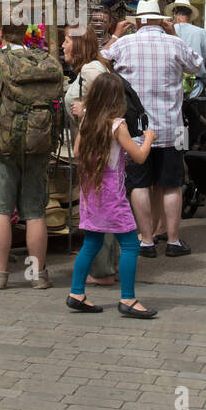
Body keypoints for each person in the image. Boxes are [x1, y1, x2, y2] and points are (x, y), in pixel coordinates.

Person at [101, 0, 203, 256]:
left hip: (136, 128)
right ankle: (173, 240)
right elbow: (199, 66)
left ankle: (145, 240)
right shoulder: (175, 43)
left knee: (139, 184)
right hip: (174, 126)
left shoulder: (125, 43)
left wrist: (115, 36)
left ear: (138, 21)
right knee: (172, 184)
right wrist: (173, 35)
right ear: (161, 20)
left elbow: (101, 58)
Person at [66, 73, 159, 318]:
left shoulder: (87, 121)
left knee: (91, 243)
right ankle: (128, 298)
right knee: (130, 244)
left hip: (90, 193)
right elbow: (139, 157)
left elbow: (76, 151)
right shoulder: (117, 125)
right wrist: (148, 139)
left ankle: (77, 293)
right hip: (112, 196)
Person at [0, 23, 52, 290]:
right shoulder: (40, 61)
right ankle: (37, 276)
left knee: (1, 210)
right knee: (35, 211)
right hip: (36, 139)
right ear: (27, 34)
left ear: (1, 34)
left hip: (3, 139)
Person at [63, 26, 116, 286]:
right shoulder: (90, 68)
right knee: (101, 205)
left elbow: (112, 105)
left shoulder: (91, 70)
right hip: (96, 148)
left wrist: (86, 109)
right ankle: (106, 264)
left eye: (66, 40)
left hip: (95, 149)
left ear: (78, 44)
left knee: (97, 207)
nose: (62, 45)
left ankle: (102, 270)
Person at [167, 0, 206, 96]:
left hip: (171, 88)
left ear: (174, 14)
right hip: (195, 88)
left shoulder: (166, 32)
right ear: (190, 15)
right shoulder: (201, 33)